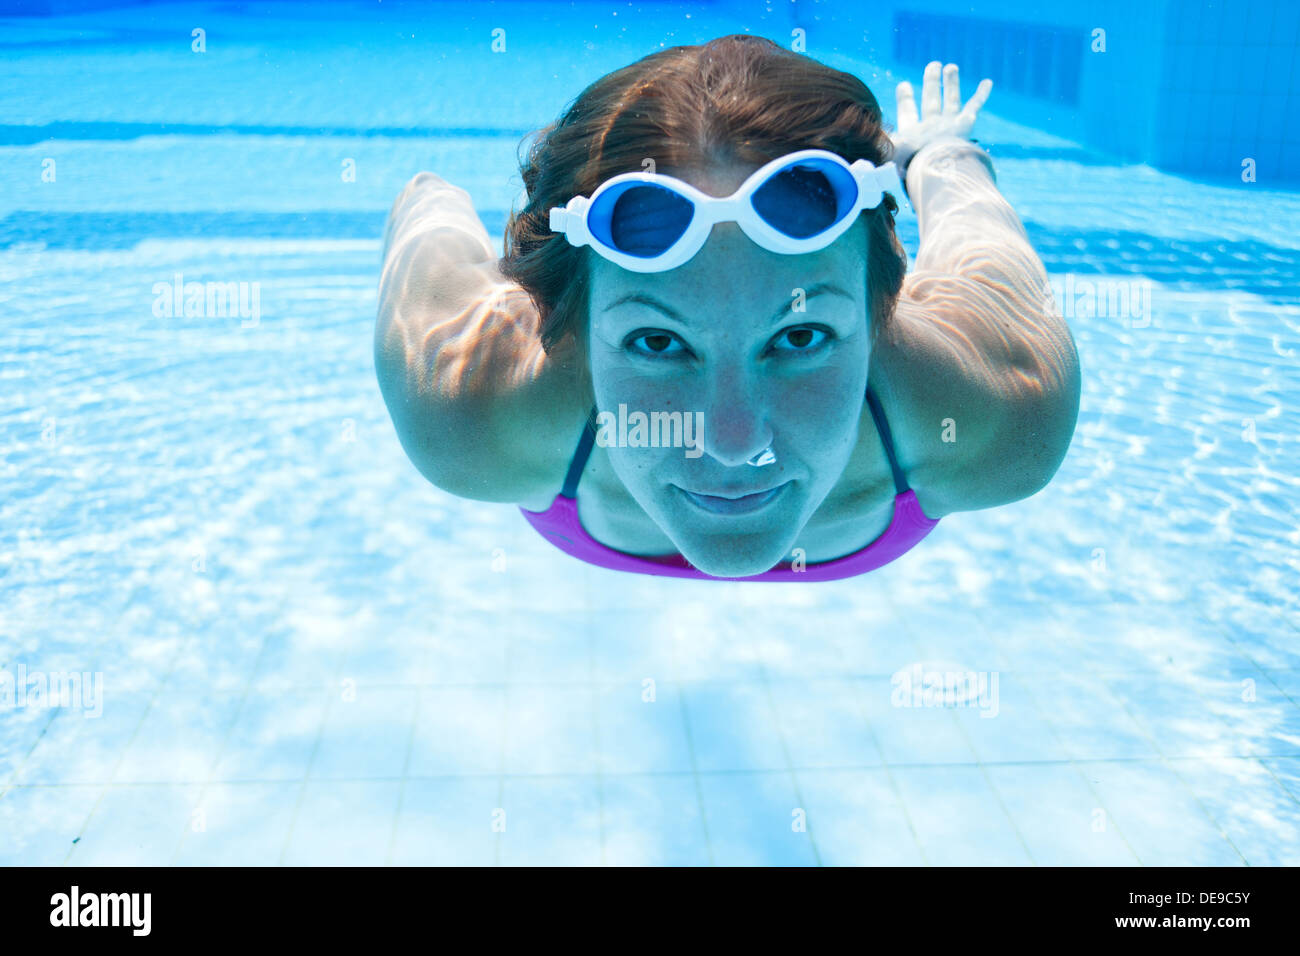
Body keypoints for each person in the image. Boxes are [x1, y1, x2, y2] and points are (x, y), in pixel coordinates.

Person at [375, 36, 1080, 582]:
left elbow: (976, 235)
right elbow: (425, 201)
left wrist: (942, 156)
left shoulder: (1000, 418)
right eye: (656, 342)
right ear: (574, 323)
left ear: (882, 309)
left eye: (801, 336)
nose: (734, 444)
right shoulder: (470, 408)